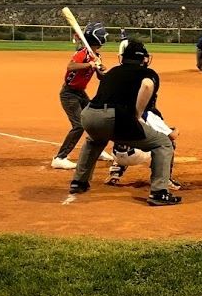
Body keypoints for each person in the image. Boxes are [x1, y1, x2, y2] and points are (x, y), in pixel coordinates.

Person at [70, 39, 181, 205]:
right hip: (115, 118)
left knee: (94, 140)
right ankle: (159, 192)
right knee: (163, 144)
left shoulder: (113, 71)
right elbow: (147, 86)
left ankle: (79, 182)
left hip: (89, 115)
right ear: (144, 58)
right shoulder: (148, 73)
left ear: (123, 57)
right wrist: (137, 113)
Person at [51, 22, 113, 169]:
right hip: (69, 94)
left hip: (80, 93)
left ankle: (96, 149)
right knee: (78, 125)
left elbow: (100, 77)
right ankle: (60, 158)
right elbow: (71, 66)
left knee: (95, 119)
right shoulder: (82, 53)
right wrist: (90, 64)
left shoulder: (95, 55)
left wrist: (101, 69)